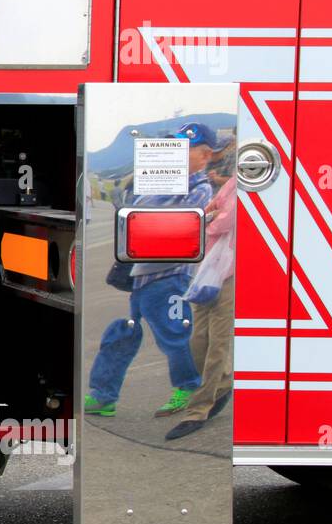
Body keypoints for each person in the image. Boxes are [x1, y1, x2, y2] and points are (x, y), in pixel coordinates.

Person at [84, 122, 220, 418]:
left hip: (170, 277)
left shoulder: (199, 189)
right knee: (122, 333)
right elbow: (131, 213)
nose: (176, 155)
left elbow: (178, 227)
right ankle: (103, 395)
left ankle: (189, 387)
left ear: (205, 155)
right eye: (173, 149)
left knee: (173, 335)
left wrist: (150, 198)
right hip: (141, 275)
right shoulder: (155, 184)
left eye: (185, 149)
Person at [165, 152, 237, 440]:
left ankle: (199, 409)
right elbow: (213, 209)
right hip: (210, 270)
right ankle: (222, 383)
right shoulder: (233, 184)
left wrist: (208, 220)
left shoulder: (247, 191)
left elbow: (223, 221)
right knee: (199, 338)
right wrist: (212, 216)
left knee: (216, 342)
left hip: (229, 272)